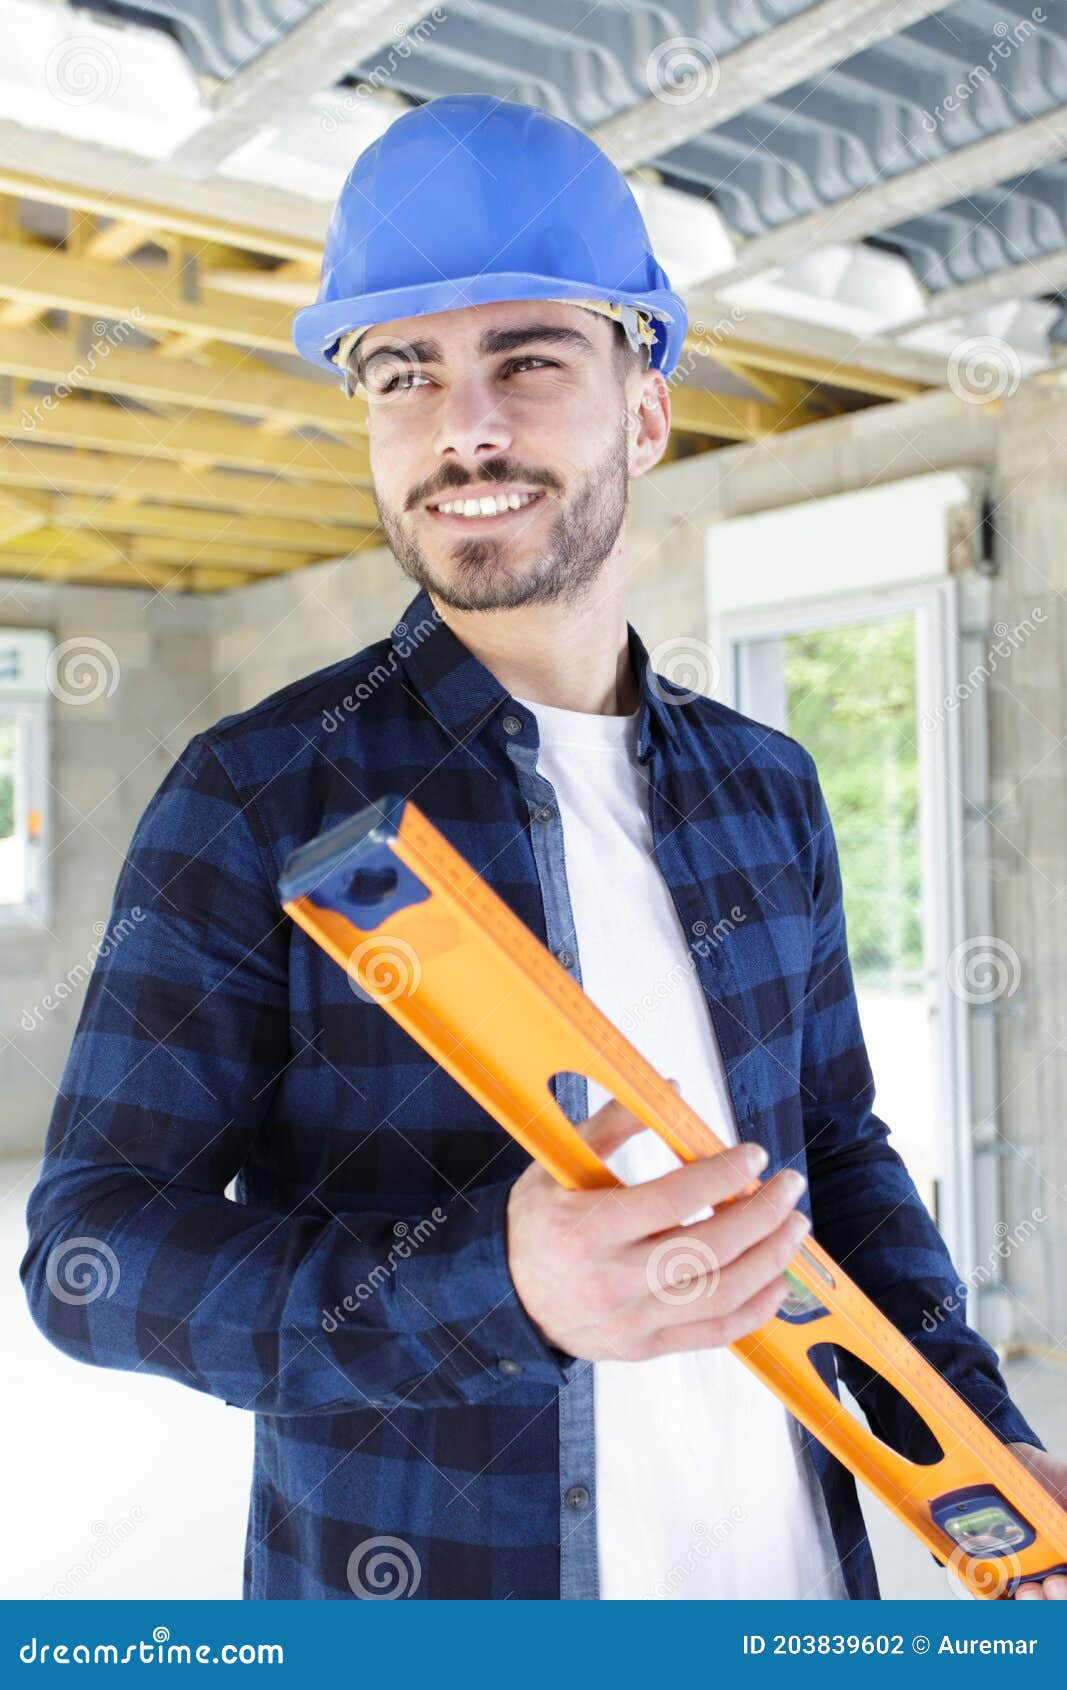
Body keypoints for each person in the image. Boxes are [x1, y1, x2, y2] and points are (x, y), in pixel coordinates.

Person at [21, 94, 1066, 1602]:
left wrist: (980, 1439)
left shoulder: (767, 790)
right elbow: (90, 1257)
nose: (465, 426)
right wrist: (491, 1287)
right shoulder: (259, 793)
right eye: (405, 372)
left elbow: (835, 1155)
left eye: (528, 359)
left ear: (644, 409)